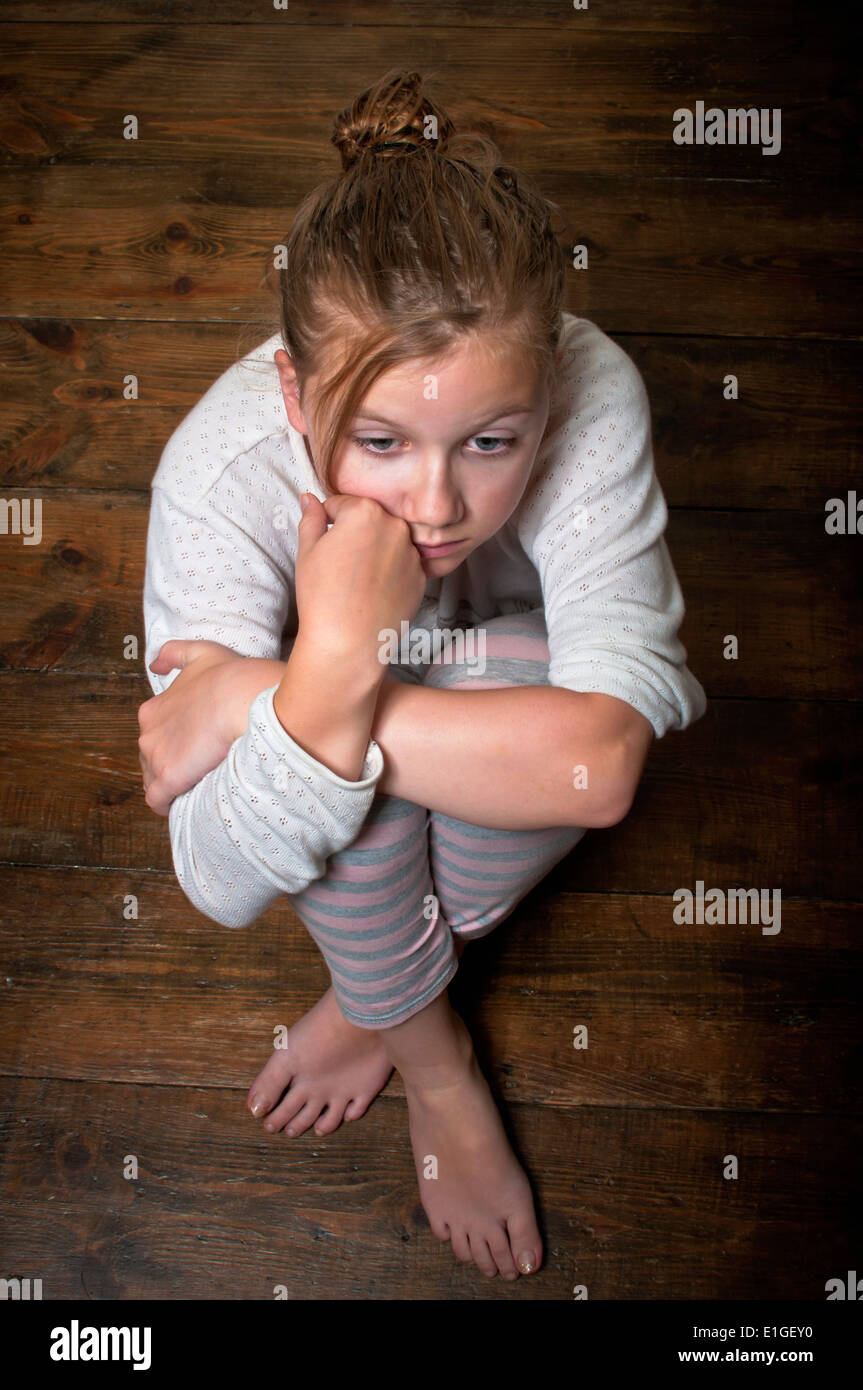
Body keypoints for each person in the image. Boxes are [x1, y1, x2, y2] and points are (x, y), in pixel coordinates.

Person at [138, 68, 707, 1284]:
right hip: (447, 775)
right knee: (344, 770)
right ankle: (436, 1062)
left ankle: (374, 999)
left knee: (346, 735)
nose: (437, 505)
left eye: (492, 441)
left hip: (509, 717)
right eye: (380, 441)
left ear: (545, 387)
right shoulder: (216, 477)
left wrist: (288, 689)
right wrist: (336, 681)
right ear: (294, 393)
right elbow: (217, 880)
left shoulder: (590, 385)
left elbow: (596, 763)